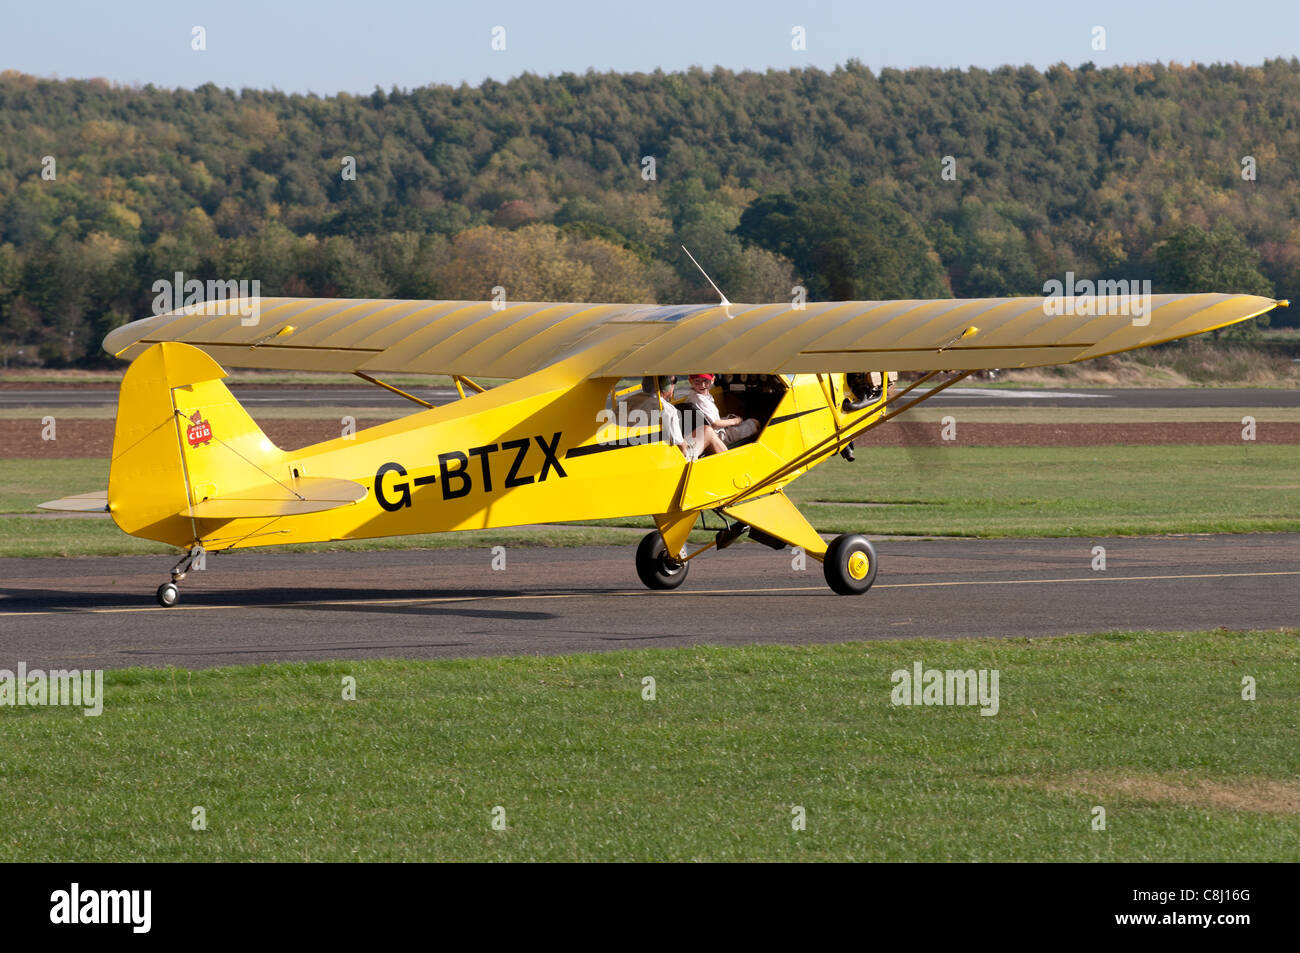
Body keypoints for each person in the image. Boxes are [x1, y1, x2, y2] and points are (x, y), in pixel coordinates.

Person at [622, 376, 725, 459]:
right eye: (673, 381)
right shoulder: (667, 410)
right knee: (708, 431)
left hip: (641, 452)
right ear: (665, 386)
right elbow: (683, 450)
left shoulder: (628, 401)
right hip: (673, 457)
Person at [683, 374, 760, 446]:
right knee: (755, 423)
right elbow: (715, 423)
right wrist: (734, 421)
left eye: (705, 381)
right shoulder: (699, 399)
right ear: (690, 381)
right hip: (719, 437)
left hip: (711, 432)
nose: (702, 385)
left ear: (712, 380)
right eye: (697, 381)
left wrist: (729, 419)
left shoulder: (694, 396)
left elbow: (709, 421)